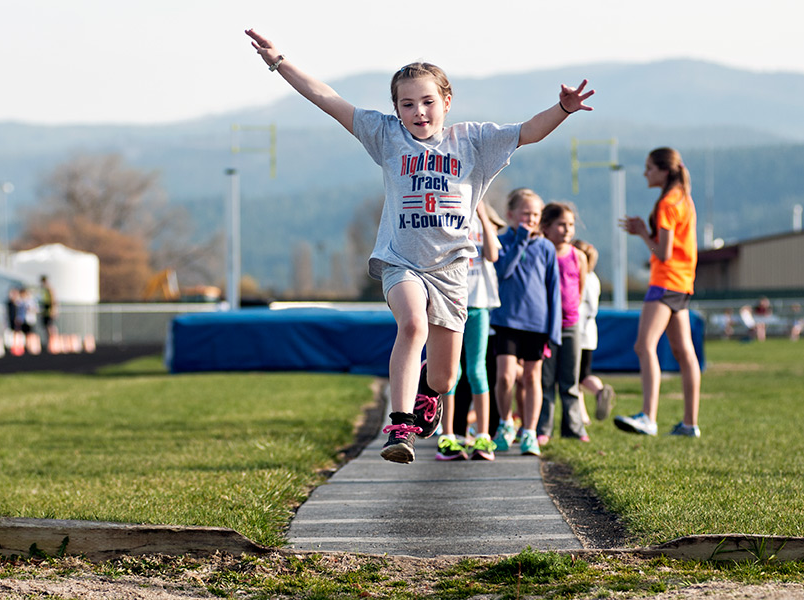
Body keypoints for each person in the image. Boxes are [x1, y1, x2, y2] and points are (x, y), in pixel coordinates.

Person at [247, 30, 593, 464]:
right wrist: (280, 61)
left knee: (447, 378)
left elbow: (528, 132)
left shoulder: (474, 141)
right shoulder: (386, 136)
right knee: (412, 325)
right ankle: (399, 423)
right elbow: (327, 98)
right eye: (407, 104)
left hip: (451, 269)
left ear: (447, 101)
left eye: (427, 101)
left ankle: (430, 393)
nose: (418, 112)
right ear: (395, 109)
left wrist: (562, 108)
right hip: (400, 261)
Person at [615, 147, 701, 437]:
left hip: (665, 281)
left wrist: (641, 232)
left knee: (644, 346)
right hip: (683, 283)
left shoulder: (667, 202)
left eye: (649, 168)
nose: (645, 173)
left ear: (664, 171)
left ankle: (648, 417)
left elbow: (662, 253)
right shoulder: (685, 199)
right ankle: (690, 424)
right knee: (683, 352)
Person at [490, 188, 562, 456]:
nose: (531, 219)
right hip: (507, 320)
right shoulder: (501, 242)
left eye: (535, 214)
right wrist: (519, 240)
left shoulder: (545, 247)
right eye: (525, 214)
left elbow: (553, 289)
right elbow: (504, 271)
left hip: (537, 324)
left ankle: (530, 431)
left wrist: (553, 330)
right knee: (505, 376)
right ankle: (505, 423)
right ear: (510, 215)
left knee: (533, 378)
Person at [436, 202, 502, 461]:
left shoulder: (480, 218)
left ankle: (483, 436)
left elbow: (493, 254)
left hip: (479, 303)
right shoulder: (449, 214)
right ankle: (449, 435)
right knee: (452, 371)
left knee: (477, 369)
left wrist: (484, 216)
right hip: (452, 302)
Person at [537, 203, 589, 445]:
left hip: (571, 326)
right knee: (545, 381)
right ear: (546, 227)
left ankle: (574, 428)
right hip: (546, 327)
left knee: (570, 380)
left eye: (570, 225)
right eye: (561, 225)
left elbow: (579, 288)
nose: (567, 230)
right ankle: (543, 428)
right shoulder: (542, 251)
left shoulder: (578, 256)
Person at [572, 239, 616, 423]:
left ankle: (598, 393)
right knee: (583, 374)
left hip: (578, 332)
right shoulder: (594, 279)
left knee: (577, 378)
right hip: (590, 334)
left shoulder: (580, 278)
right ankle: (583, 415)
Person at [39, 275, 59, 344]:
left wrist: (53, 310)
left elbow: (53, 300)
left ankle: (54, 341)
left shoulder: (49, 289)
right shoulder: (43, 289)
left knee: (50, 326)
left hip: (49, 310)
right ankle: (49, 341)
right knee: (46, 327)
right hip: (45, 311)